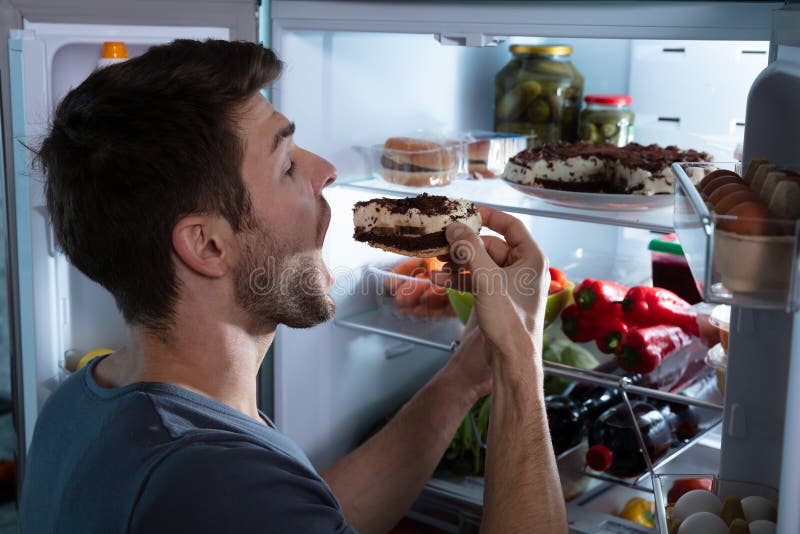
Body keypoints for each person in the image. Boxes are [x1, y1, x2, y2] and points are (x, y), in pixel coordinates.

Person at [19, 39, 566, 533]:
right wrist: (521, 360)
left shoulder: (85, 401)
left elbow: (312, 514)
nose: (326, 169)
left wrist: (467, 374)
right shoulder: (213, 483)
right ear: (207, 245)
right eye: (286, 164)